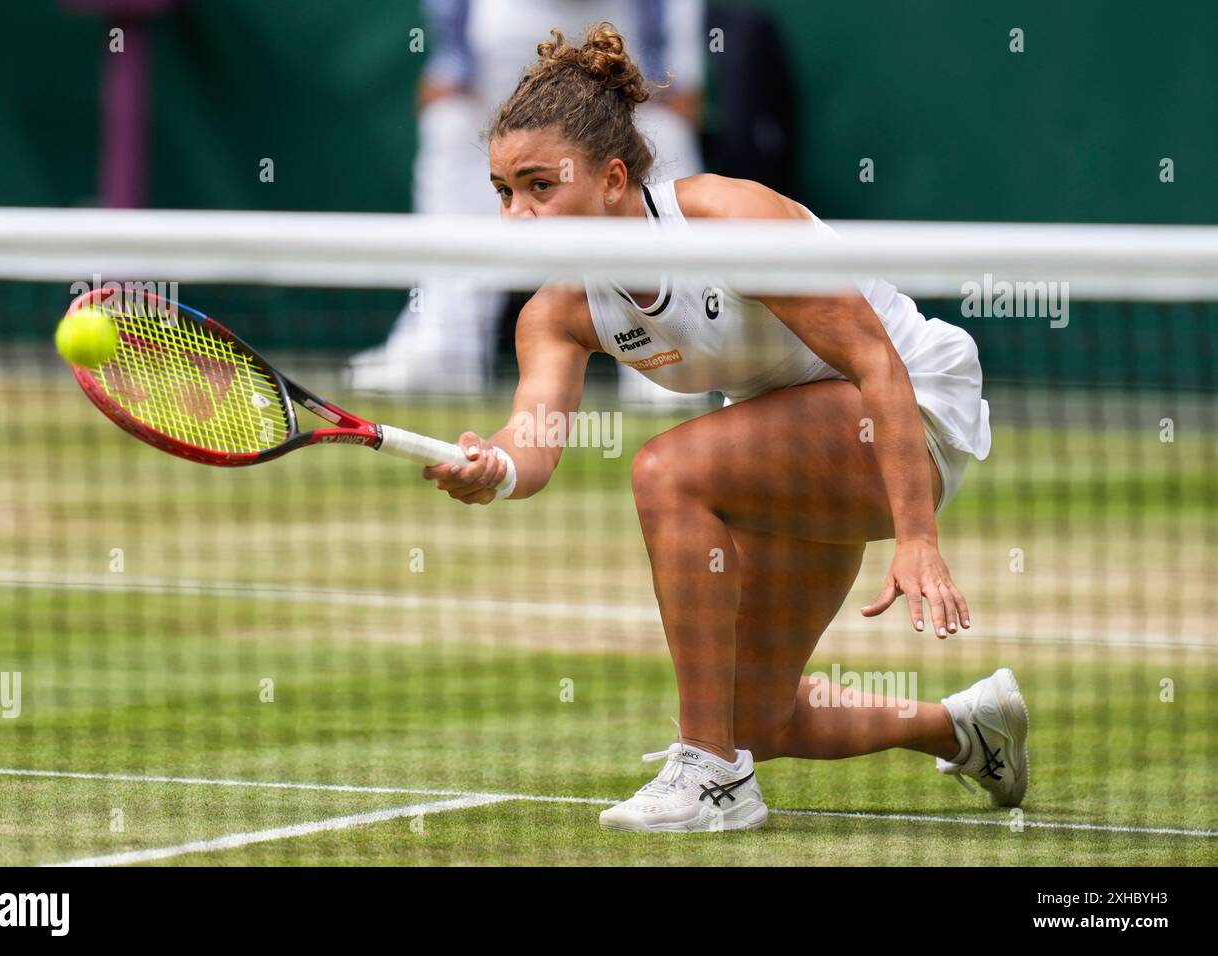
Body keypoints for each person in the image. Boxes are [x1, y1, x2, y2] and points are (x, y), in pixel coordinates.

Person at [423, 22, 1027, 832]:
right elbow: (531, 444)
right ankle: (965, 726)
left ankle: (712, 777)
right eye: (504, 192)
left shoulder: (727, 221)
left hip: (913, 412)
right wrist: (492, 466)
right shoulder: (559, 312)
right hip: (796, 448)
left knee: (668, 470)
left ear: (609, 179)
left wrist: (916, 537)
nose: (518, 215)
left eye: (539, 186)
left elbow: (877, 363)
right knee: (757, 715)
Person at [346, 0, 709, 408]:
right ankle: (441, 344)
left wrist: (677, 67)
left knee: (667, 133)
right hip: (500, 30)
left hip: (622, 27)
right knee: (450, 123)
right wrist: (453, 59)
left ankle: (666, 355)